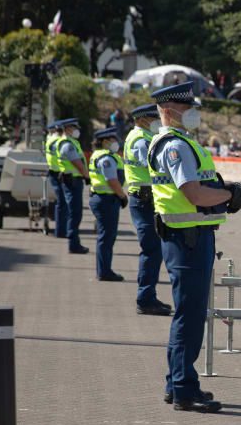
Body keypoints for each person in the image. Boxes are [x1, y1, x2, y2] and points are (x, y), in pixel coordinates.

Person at [147, 81, 241, 413]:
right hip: (186, 239)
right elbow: (194, 194)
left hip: (189, 237)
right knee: (189, 316)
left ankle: (175, 382)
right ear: (168, 111)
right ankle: (184, 390)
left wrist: (223, 193)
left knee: (188, 314)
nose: (193, 115)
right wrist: (230, 195)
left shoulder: (181, 142)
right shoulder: (174, 146)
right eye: (188, 110)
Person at [124, 104, 172, 315]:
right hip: (144, 200)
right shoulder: (140, 139)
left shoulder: (137, 136)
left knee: (153, 251)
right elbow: (153, 164)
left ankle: (147, 296)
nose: (157, 121)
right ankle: (145, 299)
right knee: (151, 251)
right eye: (154, 118)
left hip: (144, 199)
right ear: (143, 119)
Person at [88, 127, 128, 281]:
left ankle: (104, 269)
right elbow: (112, 181)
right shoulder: (106, 159)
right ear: (104, 142)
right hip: (106, 199)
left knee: (105, 236)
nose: (116, 143)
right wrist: (122, 196)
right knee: (107, 237)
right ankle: (104, 271)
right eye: (113, 140)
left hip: (102, 198)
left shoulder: (99, 155)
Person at [53, 118, 90, 254]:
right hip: (72, 182)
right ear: (68, 129)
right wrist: (87, 176)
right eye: (75, 128)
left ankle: (74, 242)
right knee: (75, 213)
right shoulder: (67, 145)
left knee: (74, 212)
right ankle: (73, 243)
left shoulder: (70, 142)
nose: (77, 131)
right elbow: (77, 163)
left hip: (73, 181)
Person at [43, 121, 68, 238]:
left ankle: (60, 229)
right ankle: (61, 230)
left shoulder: (50, 140)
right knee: (63, 202)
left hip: (53, 172)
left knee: (61, 202)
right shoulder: (60, 142)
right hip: (61, 173)